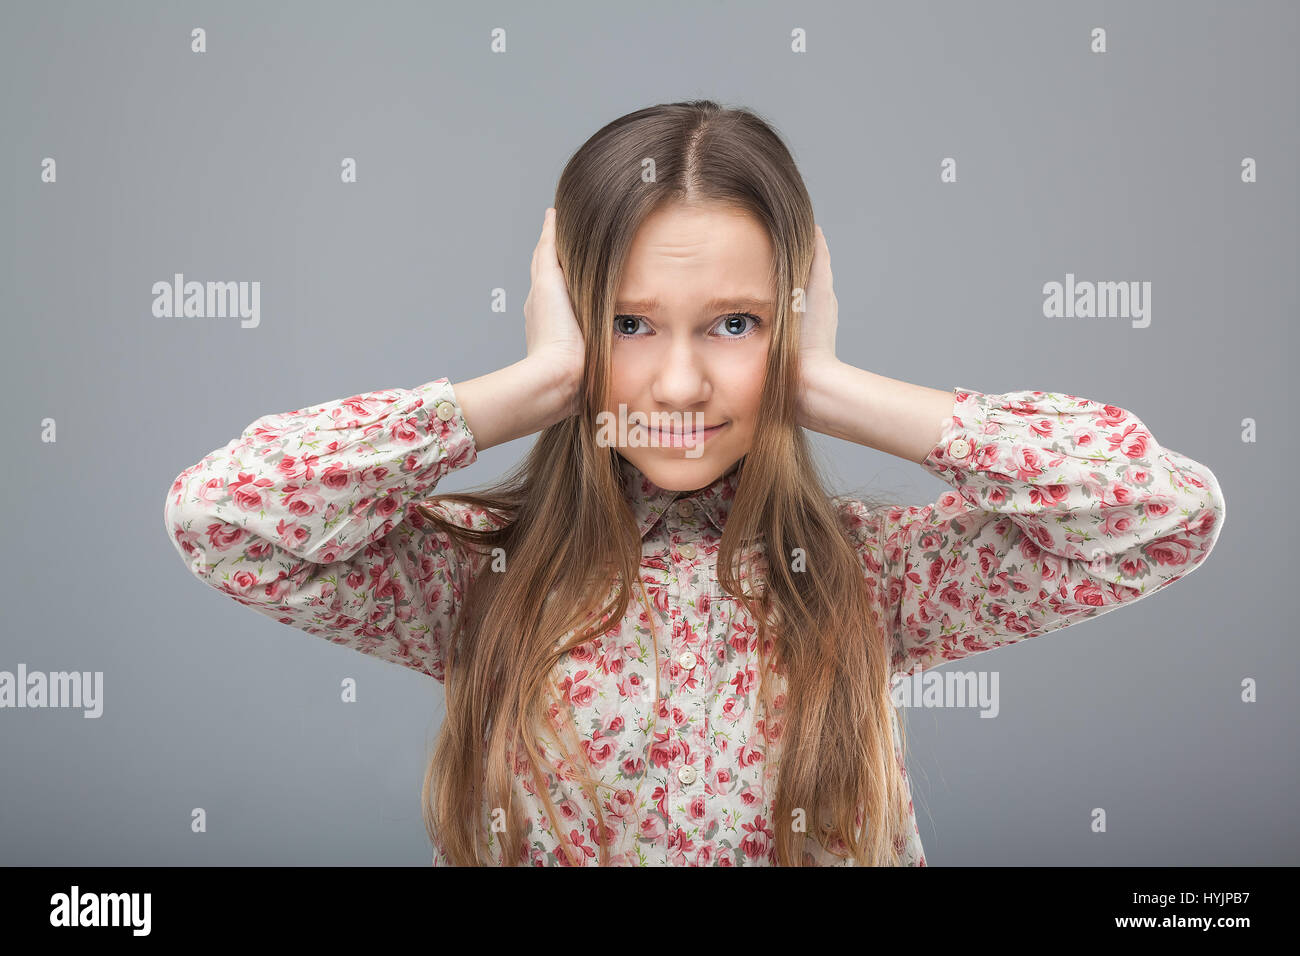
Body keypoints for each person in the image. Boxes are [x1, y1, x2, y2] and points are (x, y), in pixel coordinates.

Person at [163, 100, 1226, 866]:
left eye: (734, 322)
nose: (678, 379)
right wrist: (532, 385)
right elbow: (223, 514)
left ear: (790, 317)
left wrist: (827, 385)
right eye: (630, 322)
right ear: (573, 318)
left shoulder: (871, 574)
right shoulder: (477, 573)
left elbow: (1164, 514)